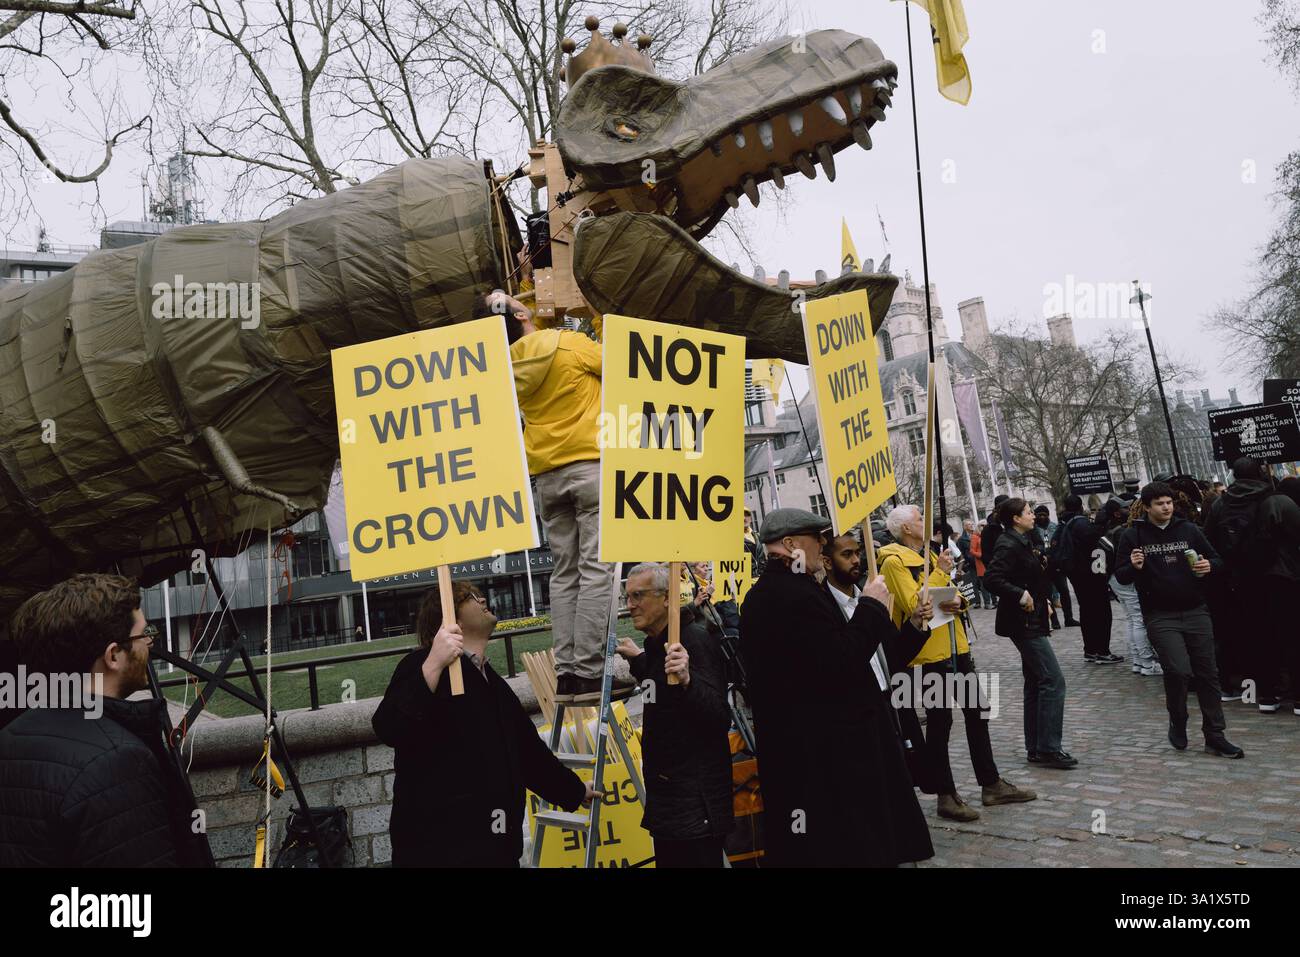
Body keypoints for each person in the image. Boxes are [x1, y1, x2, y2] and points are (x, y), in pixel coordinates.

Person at [741, 507, 935, 867]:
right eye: (818, 539)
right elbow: (841, 663)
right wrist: (872, 608)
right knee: (843, 845)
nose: (822, 546)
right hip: (821, 754)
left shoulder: (777, 592)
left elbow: (874, 658)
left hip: (814, 748)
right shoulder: (794, 596)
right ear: (790, 544)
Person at [372, 580, 598, 866]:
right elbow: (389, 726)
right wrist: (433, 664)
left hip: (496, 849)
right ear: (450, 618)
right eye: (471, 597)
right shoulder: (420, 665)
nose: (482, 601)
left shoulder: (491, 681)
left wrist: (575, 791)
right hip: (439, 851)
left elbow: (528, 754)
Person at [0, 573, 213, 867]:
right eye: (143, 634)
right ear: (114, 655)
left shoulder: (10, 736)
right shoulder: (118, 761)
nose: (150, 641)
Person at [476, 290, 615, 705]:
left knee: (565, 573)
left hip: (547, 478)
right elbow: (619, 363)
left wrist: (527, 308)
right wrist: (599, 314)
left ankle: (568, 673)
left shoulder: (502, 365)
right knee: (596, 569)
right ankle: (588, 672)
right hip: (589, 466)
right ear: (518, 315)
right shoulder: (570, 344)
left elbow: (533, 337)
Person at [879, 506, 1037, 822]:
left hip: (956, 647)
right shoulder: (894, 562)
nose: (926, 523)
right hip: (927, 656)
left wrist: (957, 598)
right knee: (940, 724)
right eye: (920, 519)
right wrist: (939, 575)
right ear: (906, 528)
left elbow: (952, 598)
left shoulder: (928, 555)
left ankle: (990, 783)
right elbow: (918, 607)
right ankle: (944, 794)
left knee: (978, 713)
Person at [614, 563, 733, 866]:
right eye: (627, 597)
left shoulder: (693, 641)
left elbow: (719, 717)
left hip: (695, 806)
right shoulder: (657, 645)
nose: (630, 605)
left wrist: (688, 681)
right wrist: (640, 661)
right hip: (670, 803)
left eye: (638, 595)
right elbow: (662, 694)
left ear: (667, 598)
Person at [1114, 482, 1243, 758]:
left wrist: (1209, 566)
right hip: (1160, 615)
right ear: (1147, 506)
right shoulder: (1133, 535)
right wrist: (1134, 567)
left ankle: (1215, 734)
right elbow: (1121, 576)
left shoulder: (1189, 530)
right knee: (1179, 670)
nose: (1166, 507)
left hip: (1196, 610)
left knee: (1208, 673)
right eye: (1160, 503)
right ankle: (1178, 718)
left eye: (1169, 503)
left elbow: (1218, 561)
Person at [984, 499, 1077, 769]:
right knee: (1052, 680)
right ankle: (1048, 748)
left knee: (1036, 681)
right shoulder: (1008, 543)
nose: (1033, 516)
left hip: (1032, 617)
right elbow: (993, 578)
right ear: (1015, 518)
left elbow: (1032, 575)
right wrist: (1020, 594)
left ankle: (1037, 747)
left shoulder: (1023, 540)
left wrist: (1043, 596)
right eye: (1027, 512)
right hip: (1022, 622)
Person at [1203, 458, 1300, 714]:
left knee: (1258, 636)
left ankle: (1267, 695)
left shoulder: (1220, 504)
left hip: (1243, 579)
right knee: (1292, 635)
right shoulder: (1277, 501)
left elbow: (1209, 541)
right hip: (1281, 578)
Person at [1052, 494, 1121, 663]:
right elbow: (1094, 543)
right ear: (1081, 506)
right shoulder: (1081, 523)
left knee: (1087, 612)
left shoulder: (1064, 524)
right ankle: (1103, 651)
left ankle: (1090, 650)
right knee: (1102, 612)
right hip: (1090, 574)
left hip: (1076, 574)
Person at [1101, 499, 1161, 676]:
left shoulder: (1116, 530)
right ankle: (1147, 662)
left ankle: (1138, 660)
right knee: (1138, 619)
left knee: (1131, 618)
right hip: (1125, 579)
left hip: (1114, 578)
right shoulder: (1128, 533)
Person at [1035, 504, 1078, 628]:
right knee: (1047, 594)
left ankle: (1068, 618)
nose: (1042, 517)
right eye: (1039, 515)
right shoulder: (1033, 529)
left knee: (1064, 590)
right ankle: (1054, 621)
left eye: (1044, 514)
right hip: (1043, 566)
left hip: (1057, 564)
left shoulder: (1055, 527)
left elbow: (1062, 543)